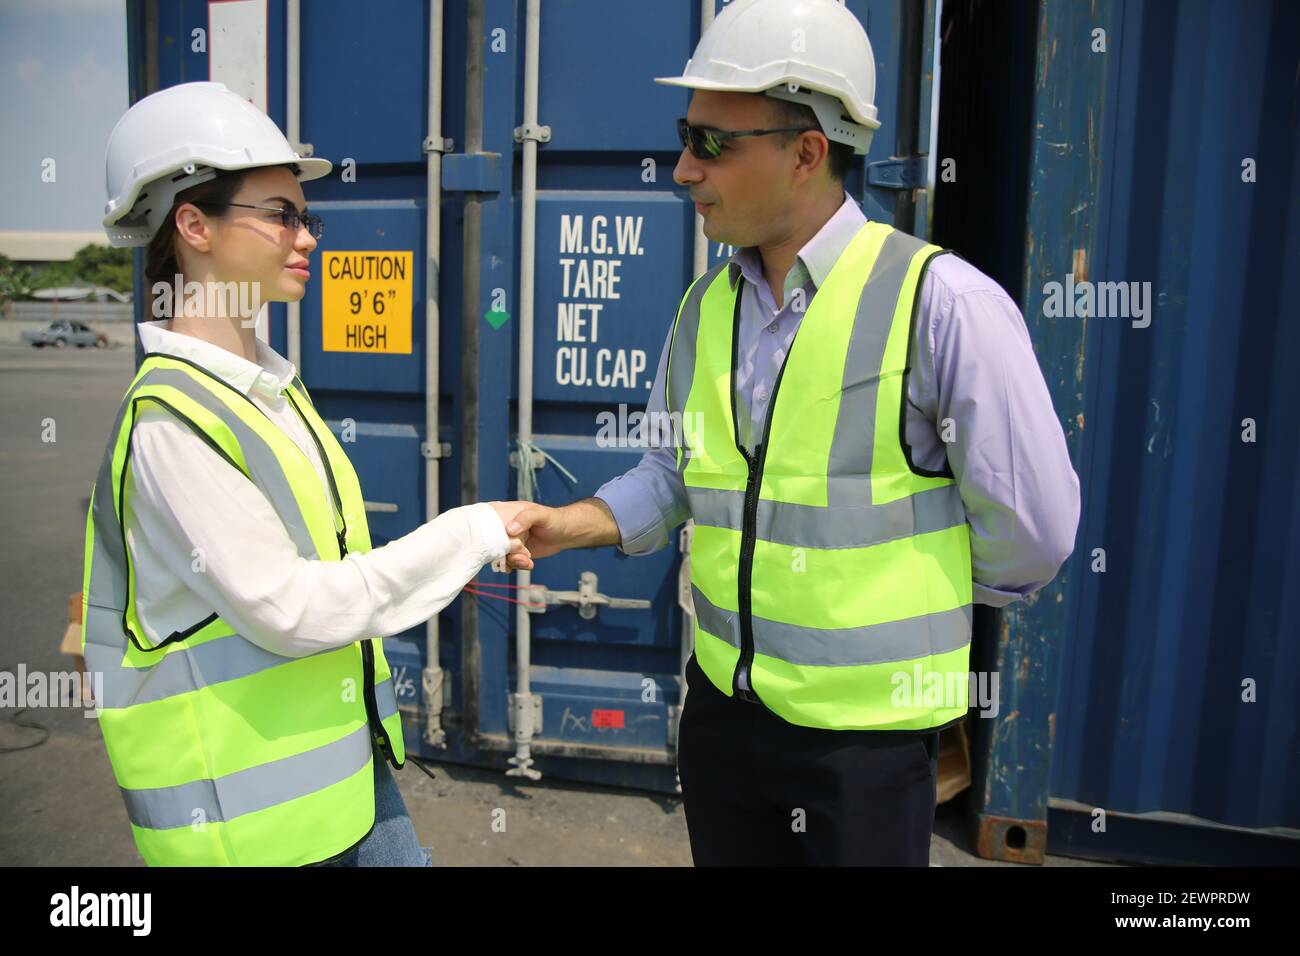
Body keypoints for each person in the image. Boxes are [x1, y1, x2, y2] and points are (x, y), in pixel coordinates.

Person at [505, 0, 1080, 865]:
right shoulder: (707, 307)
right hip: (726, 726)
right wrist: (568, 526)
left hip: (863, 748)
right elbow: (671, 474)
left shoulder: (942, 304)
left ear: (808, 150)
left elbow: (1033, 536)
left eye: (710, 143)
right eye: (684, 136)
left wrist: (907, 616)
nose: (680, 171)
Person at [82, 82, 532, 867]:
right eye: (279, 214)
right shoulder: (171, 422)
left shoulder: (266, 389)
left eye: (305, 216)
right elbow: (288, 606)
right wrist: (470, 531)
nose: (307, 237)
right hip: (246, 828)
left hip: (339, 782)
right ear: (193, 225)